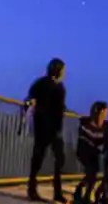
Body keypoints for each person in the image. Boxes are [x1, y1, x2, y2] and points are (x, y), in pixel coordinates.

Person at [25, 58, 68, 202]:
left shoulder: (50, 85)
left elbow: (31, 98)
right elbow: (32, 98)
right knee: (47, 158)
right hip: (46, 126)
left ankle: (47, 190)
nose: (64, 73)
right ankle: (40, 190)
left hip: (49, 126)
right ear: (58, 70)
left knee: (48, 158)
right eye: (62, 70)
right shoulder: (49, 85)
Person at [73, 102, 108, 204]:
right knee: (92, 172)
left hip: (94, 154)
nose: (106, 114)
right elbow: (90, 139)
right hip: (85, 152)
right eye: (105, 111)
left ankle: (84, 192)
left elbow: (100, 140)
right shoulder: (86, 124)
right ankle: (84, 194)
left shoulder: (105, 126)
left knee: (94, 173)